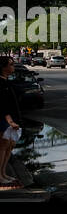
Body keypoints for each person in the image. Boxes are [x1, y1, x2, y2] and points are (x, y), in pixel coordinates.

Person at [0, 57, 23, 186]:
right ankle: (0, 175)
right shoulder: (0, 83)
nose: (13, 67)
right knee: (3, 146)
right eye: (11, 64)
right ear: (3, 67)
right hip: (3, 120)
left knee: (9, 146)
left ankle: (3, 173)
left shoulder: (6, 81)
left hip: (11, 118)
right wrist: (9, 120)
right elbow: (2, 105)